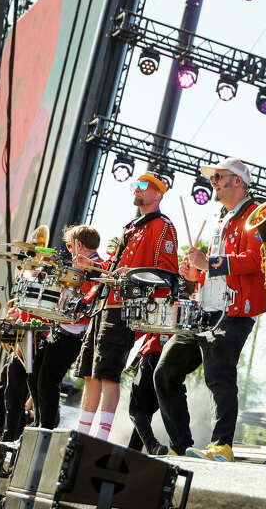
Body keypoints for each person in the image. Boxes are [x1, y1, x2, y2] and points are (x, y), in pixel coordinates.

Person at [154, 157, 266, 462]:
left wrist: (210, 263)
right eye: (213, 178)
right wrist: (196, 275)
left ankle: (223, 445)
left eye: (219, 177)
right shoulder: (221, 218)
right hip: (205, 308)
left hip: (235, 309)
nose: (213, 182)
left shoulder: (258, 213)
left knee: (219, 375)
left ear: (238, 181)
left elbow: (258, 260)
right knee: (165, 372)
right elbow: (214, 271)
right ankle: (180, 443)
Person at [74, 170, 180, 441]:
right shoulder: (131, 227)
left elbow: (166, 273)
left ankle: (101, 436)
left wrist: (150, 307)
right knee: (90, 372)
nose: (137, 189)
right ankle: (82, 432)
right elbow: (113, 268)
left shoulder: (162, 226)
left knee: (108, 374)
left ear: (158, 194)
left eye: (144, 185)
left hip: (125, 306)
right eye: (136, 184)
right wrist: (93, 267)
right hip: (104, 303)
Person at [28, 225, 99, 430]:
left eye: (69, 245)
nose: (68, 250)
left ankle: (45, 428)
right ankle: (39, 423)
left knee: (47, 382)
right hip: (62, 329)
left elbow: (90, 299)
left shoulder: (97, 266)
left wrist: (84, 271)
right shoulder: (77, 264)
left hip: (77, 333)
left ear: (79, 244)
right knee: (34, 377)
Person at [0, 301, 30, 442]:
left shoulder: (26, 316)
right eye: (12, 306)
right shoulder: (13, 319)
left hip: (26, 353)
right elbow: (6, 344)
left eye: (16, 306)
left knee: (14, 397)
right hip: (14, 353)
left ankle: (10, 437)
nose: (12, 309)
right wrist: (8, 324)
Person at [128, 331, 169, 455]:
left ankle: (152, 445)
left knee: (135, 409)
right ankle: (133, 452)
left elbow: (139, 329)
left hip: (154, 352)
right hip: (173, 362)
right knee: (146, 411)